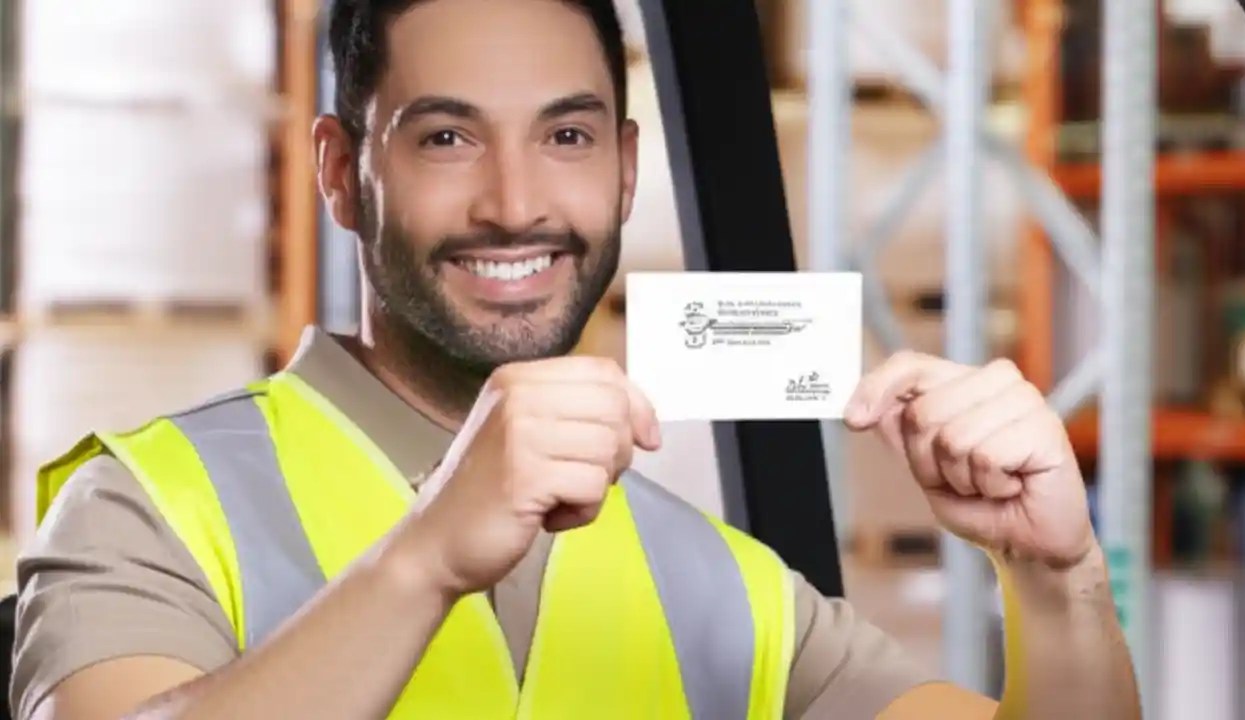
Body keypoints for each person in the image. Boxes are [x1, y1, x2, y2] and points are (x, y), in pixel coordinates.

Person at [10, 1, 1141, 718]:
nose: (515, 205)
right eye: (446, 136)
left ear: (625, 170)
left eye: (566, 136)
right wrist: (424, 561)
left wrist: (1055, 582)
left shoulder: (726, 589)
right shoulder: (143, 506)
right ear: (341, 170)